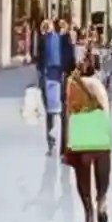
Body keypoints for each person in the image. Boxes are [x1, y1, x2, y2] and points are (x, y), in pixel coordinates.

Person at [61, 66, 112, 222]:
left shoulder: (71, 85)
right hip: (99, 134)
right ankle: (102, 201)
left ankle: (88, 213)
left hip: (80, 133)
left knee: (82, 175)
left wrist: (66, 144)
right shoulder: (98, 84)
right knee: (102, 173)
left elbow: (68, 114)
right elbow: (106, 112)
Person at [36, 19, 75, 153]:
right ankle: (51, 142)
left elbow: (71, 60)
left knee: (63, 113)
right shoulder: (43, 40)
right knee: (50, 112)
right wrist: (41, 76)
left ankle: (63, 146)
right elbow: (39, 60)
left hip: (61, 78)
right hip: (48, 77)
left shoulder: (65, 40)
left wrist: (68, 75)